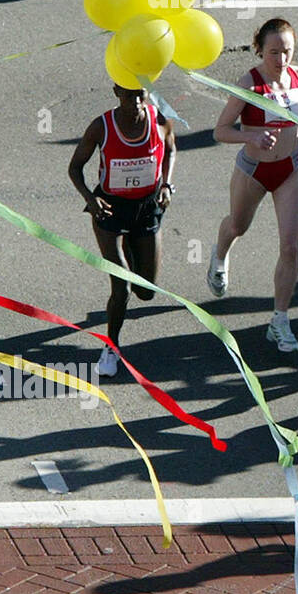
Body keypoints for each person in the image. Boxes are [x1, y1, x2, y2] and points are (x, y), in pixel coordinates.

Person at [206, 18, 298, 353]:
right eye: (274, 52)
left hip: (291, 169)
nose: (281, 59)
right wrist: (252, 135)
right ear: (260, 50)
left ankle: (280, 320)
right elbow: (221, 130)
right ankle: (219, 254)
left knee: (290, 247)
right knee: (238, 225)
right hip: (254, 170)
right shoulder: (249, 84)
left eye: (287, 51)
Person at [68, 86, 177, 378]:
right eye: (129, 96)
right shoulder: (101, 126)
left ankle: (131, 248)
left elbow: (170, 149)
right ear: (116, 92)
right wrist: (90, 199)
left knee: (146, 291)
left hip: (147, 209)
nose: (137, 102)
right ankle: (111, 347)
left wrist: (167, 184)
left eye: (141, 95)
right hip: (110, 211)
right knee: (122, 287)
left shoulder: (160, 119)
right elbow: (75, 168)